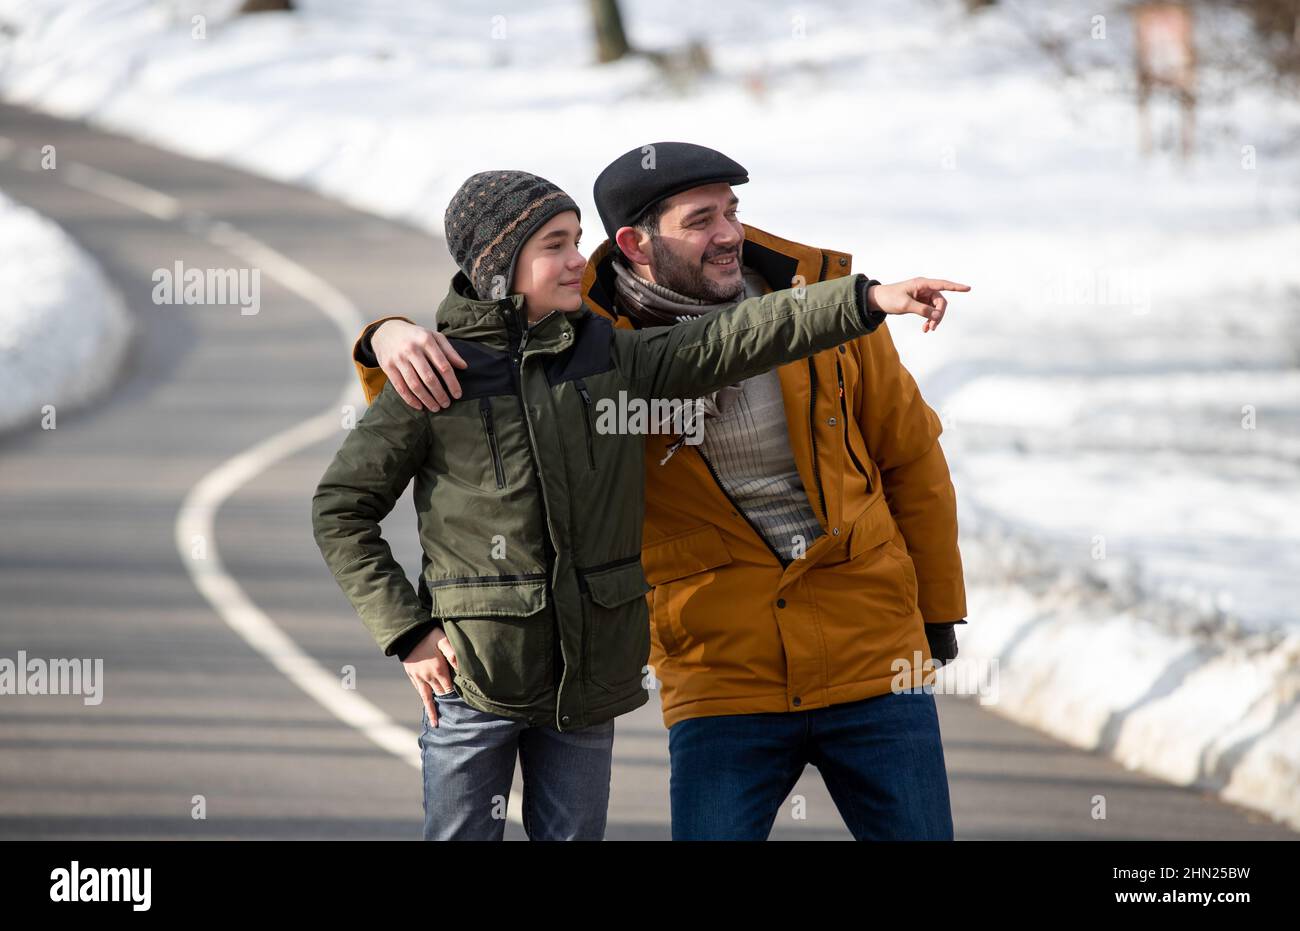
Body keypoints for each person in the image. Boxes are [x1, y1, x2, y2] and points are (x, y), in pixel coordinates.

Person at [312, 167, 956, 840]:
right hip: (475, 676)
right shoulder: (445, 373)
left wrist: (865, 299)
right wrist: (409, 631)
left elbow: (743, 333)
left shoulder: (610, 357)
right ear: (501, 265)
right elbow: (341, 507)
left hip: (591, 683)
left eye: (575, 241)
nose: (575, 262)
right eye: (555, 246)